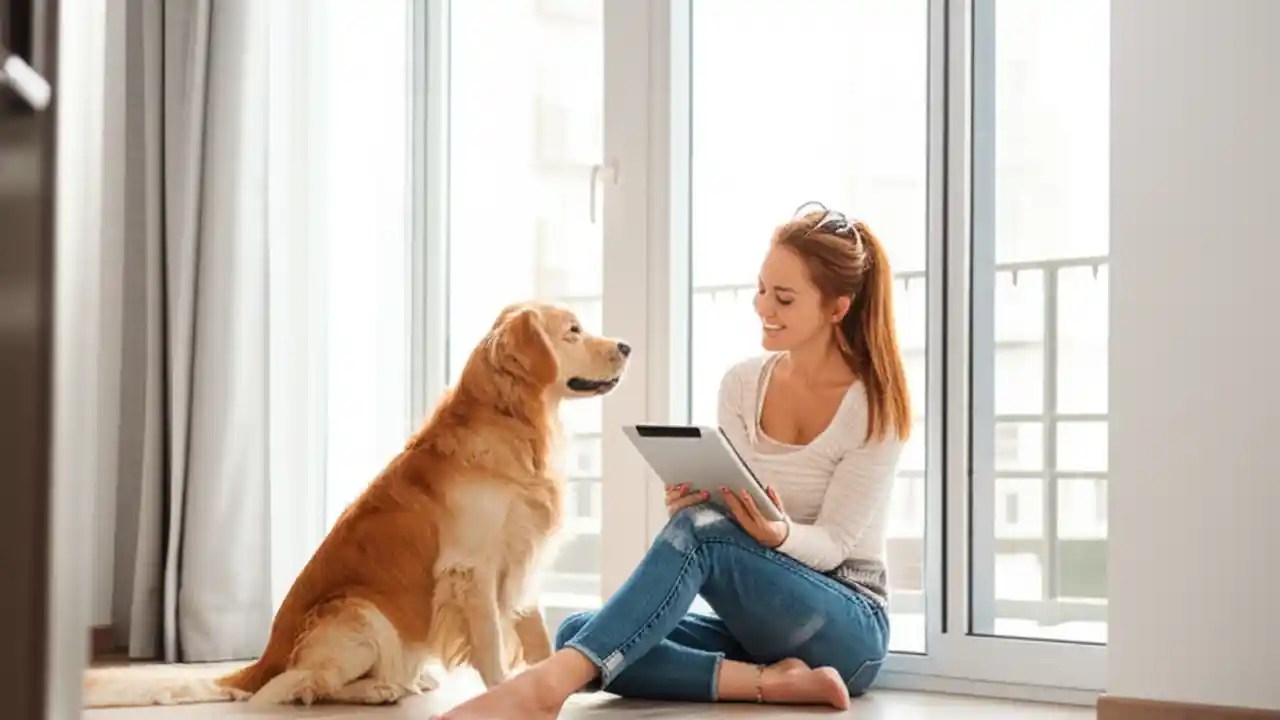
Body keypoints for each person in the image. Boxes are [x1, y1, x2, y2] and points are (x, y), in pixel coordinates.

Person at [435, 202, 911, 719]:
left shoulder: (873, 406)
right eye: (761, 289)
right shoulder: (743, 384)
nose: (762, 306)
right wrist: (701, 502)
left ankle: (542, 689)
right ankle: (772, 683)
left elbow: (837, 544)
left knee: (619, 620)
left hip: (847, 628)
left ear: (837, 308)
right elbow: (727, 521)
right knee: (581, 633)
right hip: (756, 628)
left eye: (784, 298)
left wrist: (775, 535)